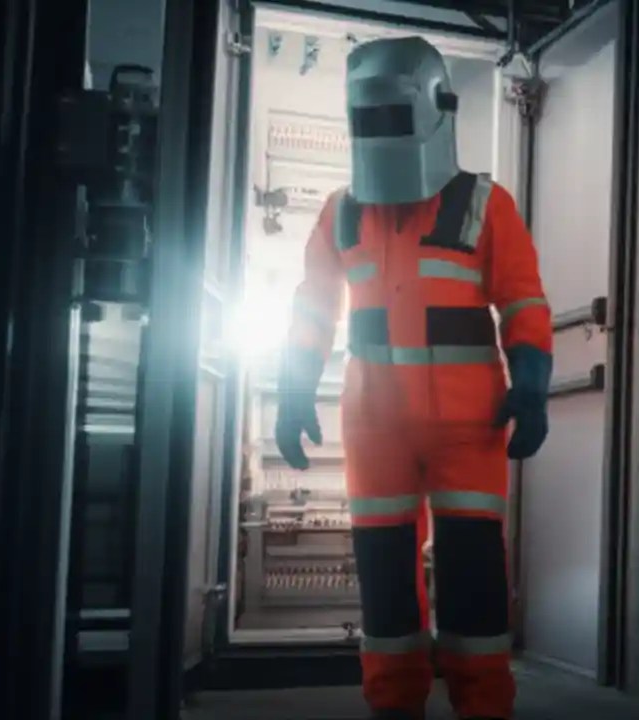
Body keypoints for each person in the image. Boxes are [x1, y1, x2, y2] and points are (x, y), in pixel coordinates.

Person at [274, 35, 553, 720]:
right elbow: (311, 308)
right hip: (374, 429)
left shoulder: (487, 205)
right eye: (368, 120)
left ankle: (483, 707)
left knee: (473, 582)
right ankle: (393, 707)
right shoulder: (341, 210)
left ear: (436, 110)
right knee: (386, 586)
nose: (381, 134)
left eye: (392, 117)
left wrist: (534, 382)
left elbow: (523, 301)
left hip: (470, 428)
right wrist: (292, 387)